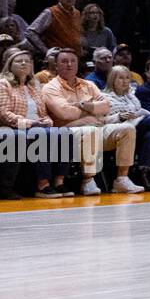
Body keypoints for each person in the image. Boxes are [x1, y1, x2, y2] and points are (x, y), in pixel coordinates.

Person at [43, 48, 143, 194]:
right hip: (68, 132)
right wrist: (92, 111)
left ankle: (121, 179)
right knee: (90, 131)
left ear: (78, 64)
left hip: (98, 127)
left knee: (127, 128)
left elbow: (106, 106)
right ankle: (88, 180)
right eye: (64, 61)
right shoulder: (50, 87)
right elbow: (64, 113)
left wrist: (84, 106)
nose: (69, 64)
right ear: (56, 66)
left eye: (73, 61)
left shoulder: (88, 85)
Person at [0, 47, 74, 198]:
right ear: (10, 65)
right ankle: (43, 185)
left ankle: (59, 181)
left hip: (37, 125)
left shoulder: (34, 86)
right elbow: (4, 113)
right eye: (19, 61)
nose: (23, 64)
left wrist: (46, 122)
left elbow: (44, 113)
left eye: (27, 61)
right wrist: (31, 123)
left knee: (65, 133)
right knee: (42, 133)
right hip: (16, 126)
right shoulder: (3, 84)